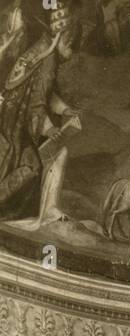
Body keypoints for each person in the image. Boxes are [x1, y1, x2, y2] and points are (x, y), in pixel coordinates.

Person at [0, 6, 79, 219]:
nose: (72, 44)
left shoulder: (41, 48)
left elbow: (45, 92)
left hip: (9, 116)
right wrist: (50, 127)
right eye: (70, 39)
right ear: (64, 36)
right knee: (31, 166)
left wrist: (64, 109)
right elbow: (38, 102)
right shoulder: (49, 58)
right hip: (17, 121)